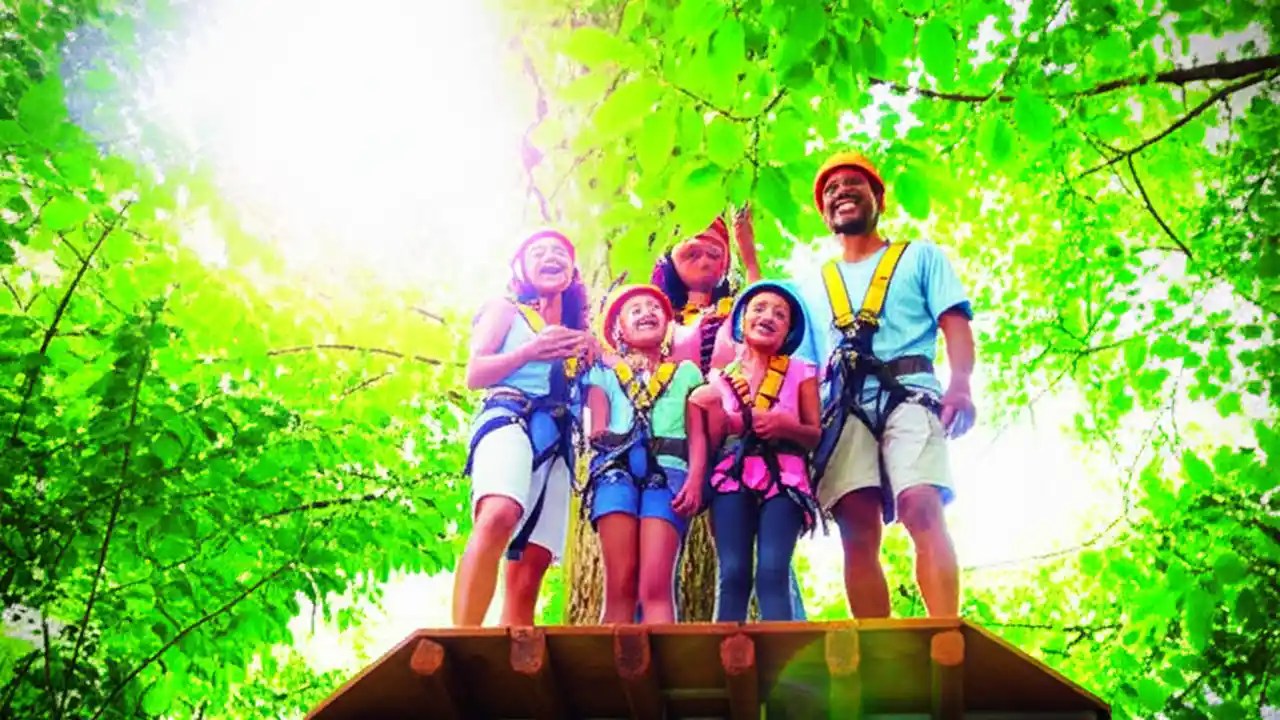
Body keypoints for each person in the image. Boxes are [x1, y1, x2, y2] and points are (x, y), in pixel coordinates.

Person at [794, 151, 977, 619]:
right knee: (857, 525)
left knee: (921, 504)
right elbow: (800, 363)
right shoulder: (813, 285)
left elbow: (953, 320)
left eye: (854, 183)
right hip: (843, 405)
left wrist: (960, 384)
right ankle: (879, 644)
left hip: (909, 392)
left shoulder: (919, 256)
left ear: (878, 197)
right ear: (824, 213)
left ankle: (943, 627)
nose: (842, 192)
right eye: (831, 190)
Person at [650, 212, 809, 620]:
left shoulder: (738, 314)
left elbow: (763, 303)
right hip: (684, 426)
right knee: (721, 554)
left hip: (750, 419)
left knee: (773, 555)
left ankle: (786, 628)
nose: (703, 260)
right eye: (692, 250)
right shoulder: (662, 320)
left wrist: (748, 252)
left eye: (713, 252)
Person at [451, 228, 594, 627]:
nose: (551, 257)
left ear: (572, 271)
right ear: (521, 268)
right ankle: (462, 637)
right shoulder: (506, 309)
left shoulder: (580, 339)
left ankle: (508, 663)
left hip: (560, 440)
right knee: (499, 513)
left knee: (533, 561)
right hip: (509, 415)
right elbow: (475, 373)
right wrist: (530, 350)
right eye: (539, 252)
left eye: (560, 253)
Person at [690, 280, 821, 622]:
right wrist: (722, 414)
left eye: (781, 314)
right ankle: (726, 654)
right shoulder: (719, 377)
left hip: (785, 476)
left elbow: (814, 433)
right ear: (741, 320)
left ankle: (781, 656)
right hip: (732, 475)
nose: (769, 317)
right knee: (732, 572)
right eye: (759, 309)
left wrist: (785, 425)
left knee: (773, 570)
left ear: (788, 331)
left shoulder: (801, 371)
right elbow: (715, 437)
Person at [584, 284, 708, 624]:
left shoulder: (686, 373)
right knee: (620, 585)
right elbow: (597, 427)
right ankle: (607, 673)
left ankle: (664, 668)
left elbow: (697, 432)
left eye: (654, 308)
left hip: (669, 472)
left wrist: (696, 479)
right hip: (615, 470)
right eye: (635, 310)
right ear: (617, 329)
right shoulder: (604, 373)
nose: (646, 313)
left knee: (654, 586)